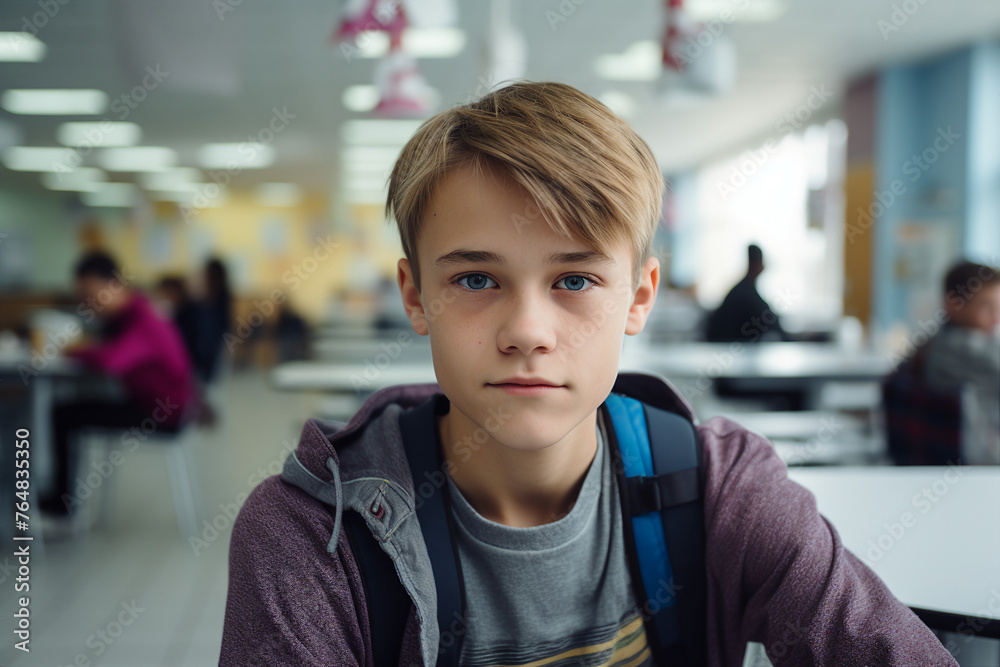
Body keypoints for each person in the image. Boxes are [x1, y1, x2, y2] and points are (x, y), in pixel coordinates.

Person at [220, 83, 955, 665]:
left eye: (574, 281)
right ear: (416, 296)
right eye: (476, 279)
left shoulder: (725, 489)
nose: (527, 332)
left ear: (638, 297)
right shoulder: (311, 537)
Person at [42, 251, 195, 516]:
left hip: (162, 412)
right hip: (154, 403)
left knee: (64, 414)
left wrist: (71, 350)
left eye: (92, 295)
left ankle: (61, 503)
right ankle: (61, 499)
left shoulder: (142, 318)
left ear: (114, 285)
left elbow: (112, 362)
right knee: (71, 409)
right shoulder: (131, 315)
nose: (89, 304)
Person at [909, 261, 1000, 464]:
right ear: (953, 304)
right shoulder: (961, 349)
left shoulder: (930, 344)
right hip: (984, 461)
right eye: (986, 306)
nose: (996, 318)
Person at [703, 244, 787, 343]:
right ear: (757, 264)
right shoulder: (746, 294)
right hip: (728, 348)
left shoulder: (742, 289)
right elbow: (769, 319)